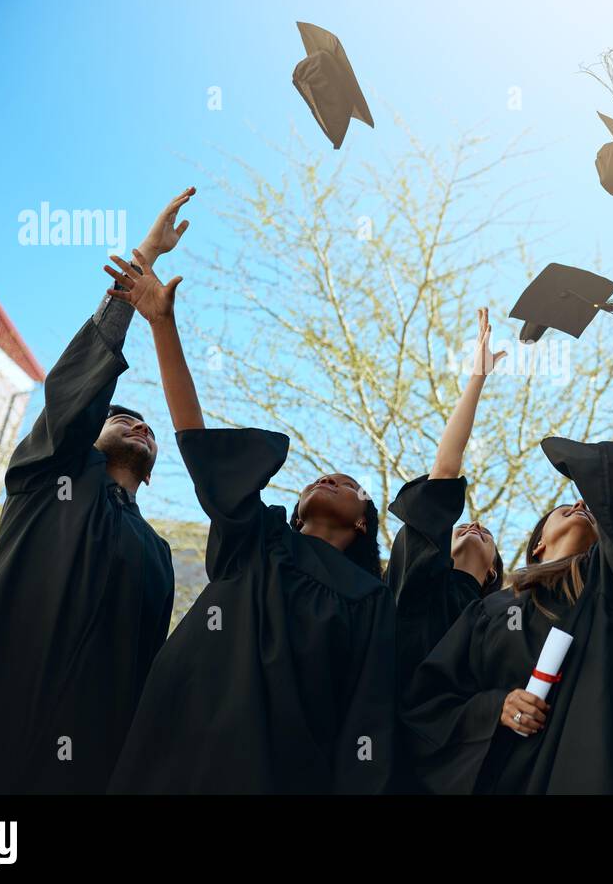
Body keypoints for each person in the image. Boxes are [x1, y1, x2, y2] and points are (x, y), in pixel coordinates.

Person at [0, 189, 194, 794]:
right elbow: (71, 400)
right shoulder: (49, 478)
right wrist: (140, 268)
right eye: (121, 416)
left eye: (149, 428)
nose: (139, 424)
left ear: (154, 469)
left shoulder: (157, 557)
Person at [400, 313, 613, 794]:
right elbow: (428, 702)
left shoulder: (608, 590)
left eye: (591, 511)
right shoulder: (487, 611)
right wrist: (496, 705)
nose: (581, 504)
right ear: (536, 542)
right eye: (564, 507)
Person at [104, 251, 396, 794]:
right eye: (318, 478)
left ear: (363, 523)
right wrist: (163, 325)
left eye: (348, 483)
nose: (326, 480)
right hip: (175, 741)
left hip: (279, 769)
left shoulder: (370, 598)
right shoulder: (257, 535)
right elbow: (196, 438)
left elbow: (367, 715)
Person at [386, 309, 506, 701]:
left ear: (493, 572)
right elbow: (445, 469)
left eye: (485, 533)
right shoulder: (418, 574)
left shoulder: (498, 621)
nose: (473, 527)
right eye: (463, 526)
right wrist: (477, 379)